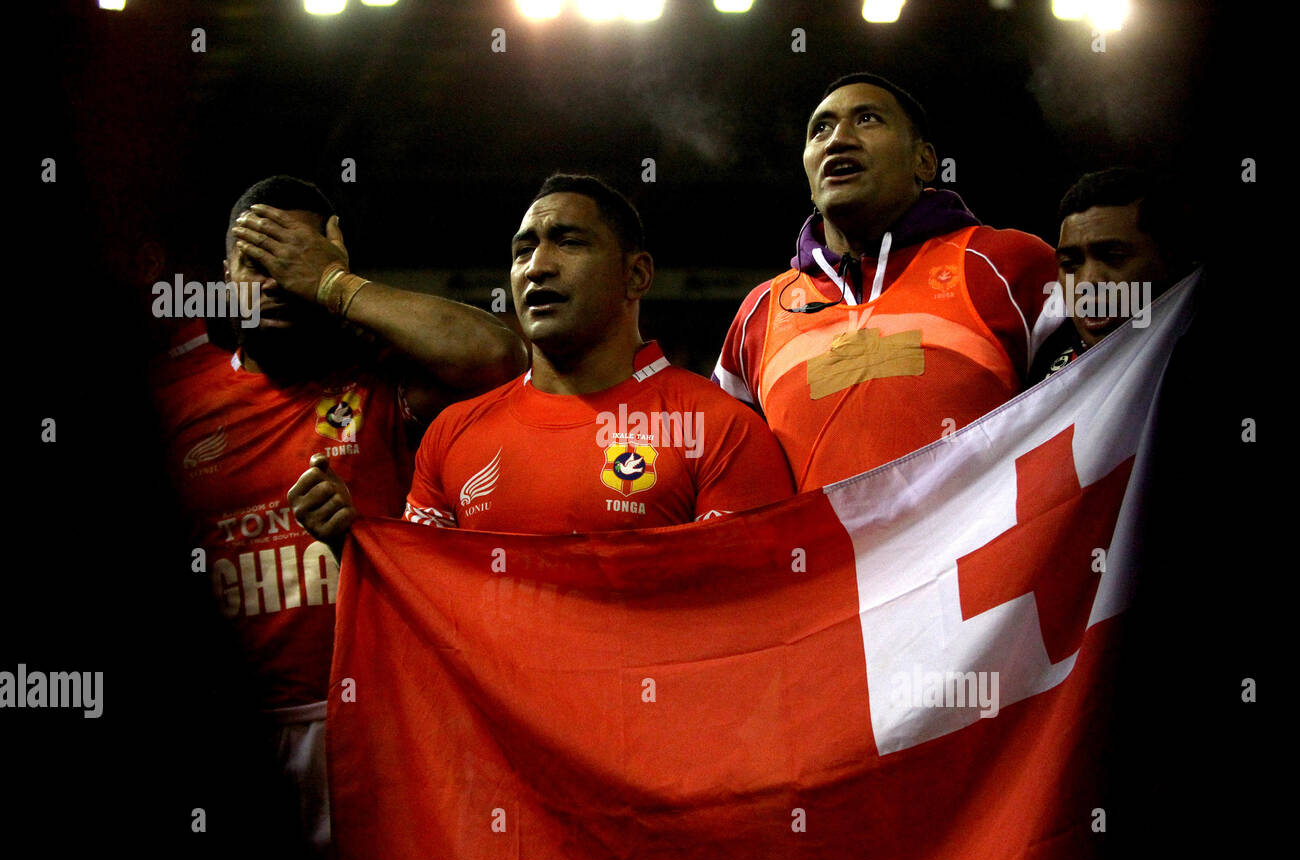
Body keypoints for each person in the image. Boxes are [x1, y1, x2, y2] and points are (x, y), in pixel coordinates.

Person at [151, 174, 526, 860]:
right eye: (256, 264)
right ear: (224, 275)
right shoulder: (176, 394)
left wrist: (332, 283)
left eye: (293, 262)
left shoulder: (381, 371)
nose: (273, 282)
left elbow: (502, 357)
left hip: (372, 712)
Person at [289, 174, 794, 551]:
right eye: (522, 250)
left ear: (637, 275)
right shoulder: (452, 433)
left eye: (569, 242)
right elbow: (432, 600)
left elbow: (747, 615)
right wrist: (347, 541)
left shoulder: (720, 429)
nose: (537, 266)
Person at [712, 73, 1060, 491]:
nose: (837, 140)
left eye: (868, 119)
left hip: (981, 556)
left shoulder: (1010, 264)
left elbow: (1100, 411)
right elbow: (727, 488)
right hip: (820, 558)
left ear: (925, 162)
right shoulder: (759, 313)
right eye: (820, 129)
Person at [1030, 166, 1191, 382]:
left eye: (1113, 257)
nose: (1087, 281)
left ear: (1171, 260)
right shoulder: (1047, 360)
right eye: (1070, 263)